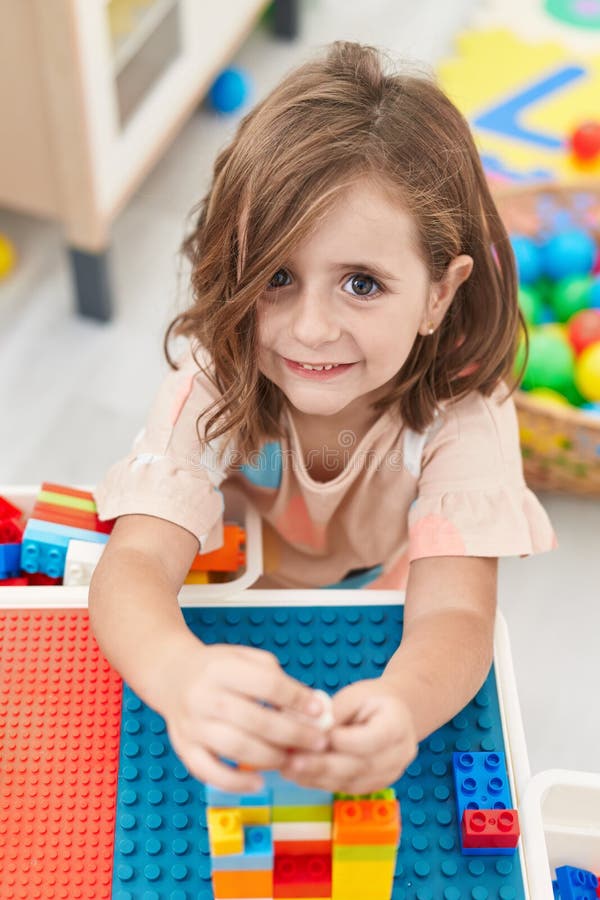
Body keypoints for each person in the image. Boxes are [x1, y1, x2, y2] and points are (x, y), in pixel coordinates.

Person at [89, 41, 556, 797]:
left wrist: (403, 705)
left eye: (362, 284)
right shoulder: (214, 383)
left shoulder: (464, 413)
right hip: (231, 592)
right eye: (276, 276)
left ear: (440, 293)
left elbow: (458, 614)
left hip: (381, 600)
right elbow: (134, 566)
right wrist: (176, 672)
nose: (310, 329)